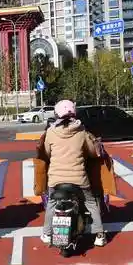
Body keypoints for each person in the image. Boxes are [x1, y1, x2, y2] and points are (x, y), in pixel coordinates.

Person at [40, 99, 107, 247]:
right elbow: (91, 152)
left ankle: (46, 232)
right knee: (90, 202)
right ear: (73, 113)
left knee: (51, 202)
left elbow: (46, 152)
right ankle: (100, 235)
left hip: (55, 180)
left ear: (56, 114)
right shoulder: (82, 131)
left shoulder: (50, 132)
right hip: (79, 179)